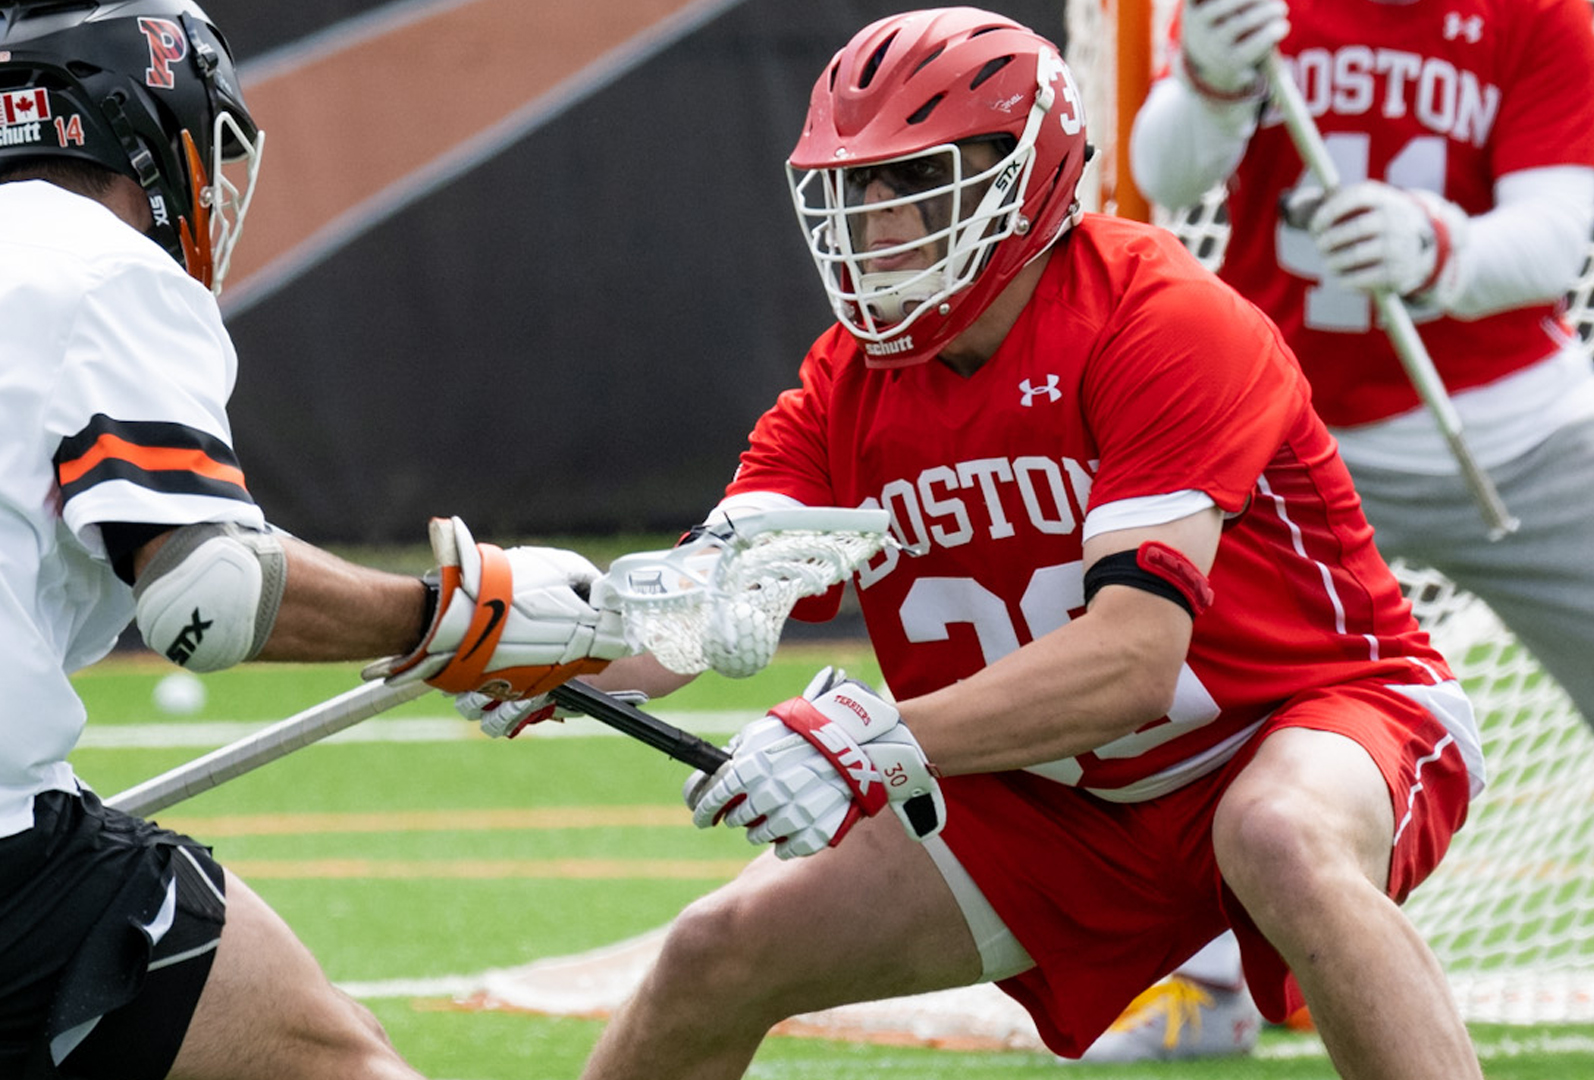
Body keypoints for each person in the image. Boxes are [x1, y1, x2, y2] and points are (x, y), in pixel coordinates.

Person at [485, 7, 1484, 1079]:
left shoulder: (1161, 320)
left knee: (1279, 837)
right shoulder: (844, 386)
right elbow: (712, 602)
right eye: (854, 188)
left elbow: (1133, 665)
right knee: (714, 955)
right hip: (1057, 795)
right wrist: (543, 641)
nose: (874, 224)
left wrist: (866, 740)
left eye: (911, 181)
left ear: (1025, 176)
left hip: (1299, 718)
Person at [1104, 0, 1594, 1065]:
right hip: (1288, 418)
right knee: (1185, 674)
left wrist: (1434, 246)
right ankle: (1204, 984)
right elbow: (1169, 173)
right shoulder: (1267, 6)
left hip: (1511, 419)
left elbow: (1553, 238)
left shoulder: (1536, 18)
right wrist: (1208, 74)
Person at [0, 3, 630, 1077]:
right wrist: (454, 617)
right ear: (146, 123)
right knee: (339, 1061)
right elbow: (209, 595)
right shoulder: (102, 270)